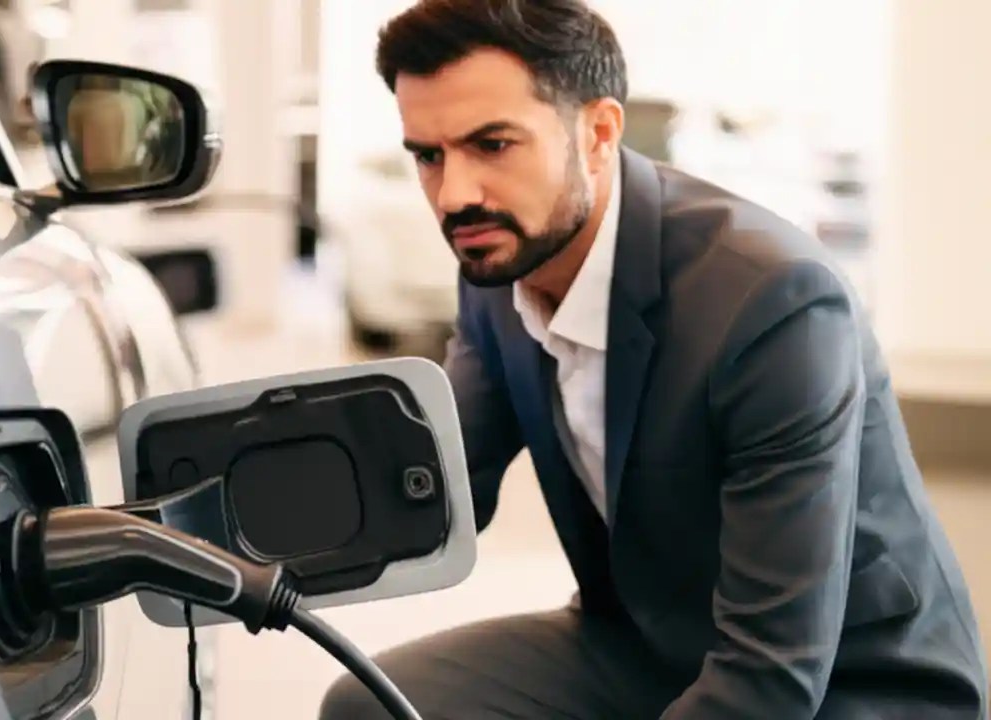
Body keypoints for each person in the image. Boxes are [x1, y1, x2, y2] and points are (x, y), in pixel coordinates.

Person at [318, 1, 989, 718]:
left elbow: (772, 676)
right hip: (646, 639)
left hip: (851, 682)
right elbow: (435, 493)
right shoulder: (500, 267)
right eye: (428, 155)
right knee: (368, 706)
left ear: (599, 132)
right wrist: (227, 529)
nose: (454, 196)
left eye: (493, 145)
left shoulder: (773, 301)